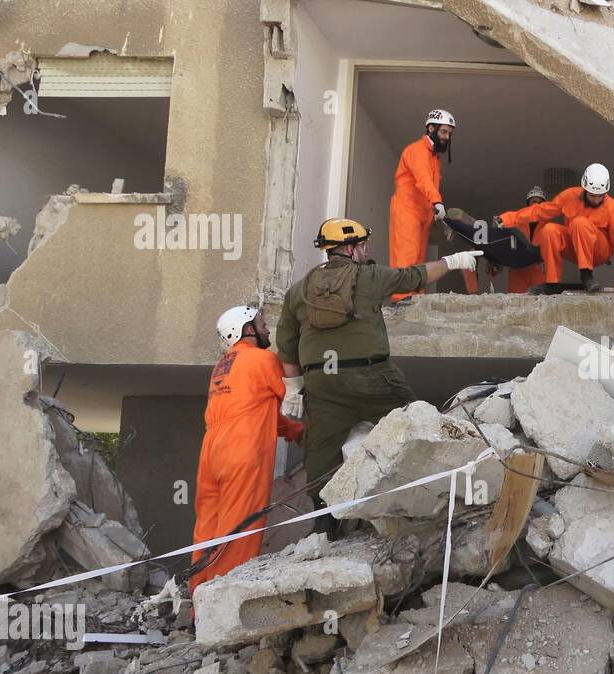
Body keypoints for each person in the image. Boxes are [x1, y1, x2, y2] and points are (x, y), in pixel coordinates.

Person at [276, 217, 481, 534]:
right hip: (371, 376)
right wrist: (452, 261)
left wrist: (293, 389)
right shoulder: (368, 277)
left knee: (320, 453)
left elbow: (286, 346)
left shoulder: (298, 291)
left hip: (323, 384)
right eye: (362, 244)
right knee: (418, 425)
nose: (366, 249)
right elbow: (415, 277)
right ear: (349, 248)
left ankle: (324, 521)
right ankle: (440, 496)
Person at [191, 306, 304, 594]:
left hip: (212, 453)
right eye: (262, 324)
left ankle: (199, 600)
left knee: (208, 528)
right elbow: (294, 398)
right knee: (239, 527)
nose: (268, 329)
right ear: (247, 329)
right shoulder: (263, 359)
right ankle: (225, 598)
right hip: (243, 452)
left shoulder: (222, 367)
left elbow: (258, 409)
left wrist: (293, 431)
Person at [497, 163, 614, 293]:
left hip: (599, 251)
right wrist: (508, 218)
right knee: (549, 230)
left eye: (600, 196)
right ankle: (552, 284)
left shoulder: (613, 208)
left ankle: (586, 275)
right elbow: (540, 211)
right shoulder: (569, 197)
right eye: (592, 195)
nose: (596, 200)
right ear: (584, 189)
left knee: (579, 222)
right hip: (575, 247)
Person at [389, 108, 477, 297]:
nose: (446, 137)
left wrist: (433, 211)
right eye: (444, 132)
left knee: (419, 260)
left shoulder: (434, 157)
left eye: (449, 134)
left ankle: (415, 298)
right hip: (407, 209)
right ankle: (402, 299)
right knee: (407, 256)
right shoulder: (417, 150)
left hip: (422, 213)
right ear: (431, 128)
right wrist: (437, 202)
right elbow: (423, 179)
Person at [497, 185, 550, 293]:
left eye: (540, 202)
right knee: (516, 304)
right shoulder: (516, 223)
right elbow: (504, 245)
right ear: (528, 205)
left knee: (541, 303)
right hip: (518, 269)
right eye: (533, 201)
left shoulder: (549, 226)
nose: (536, 204)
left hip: (538, 268)